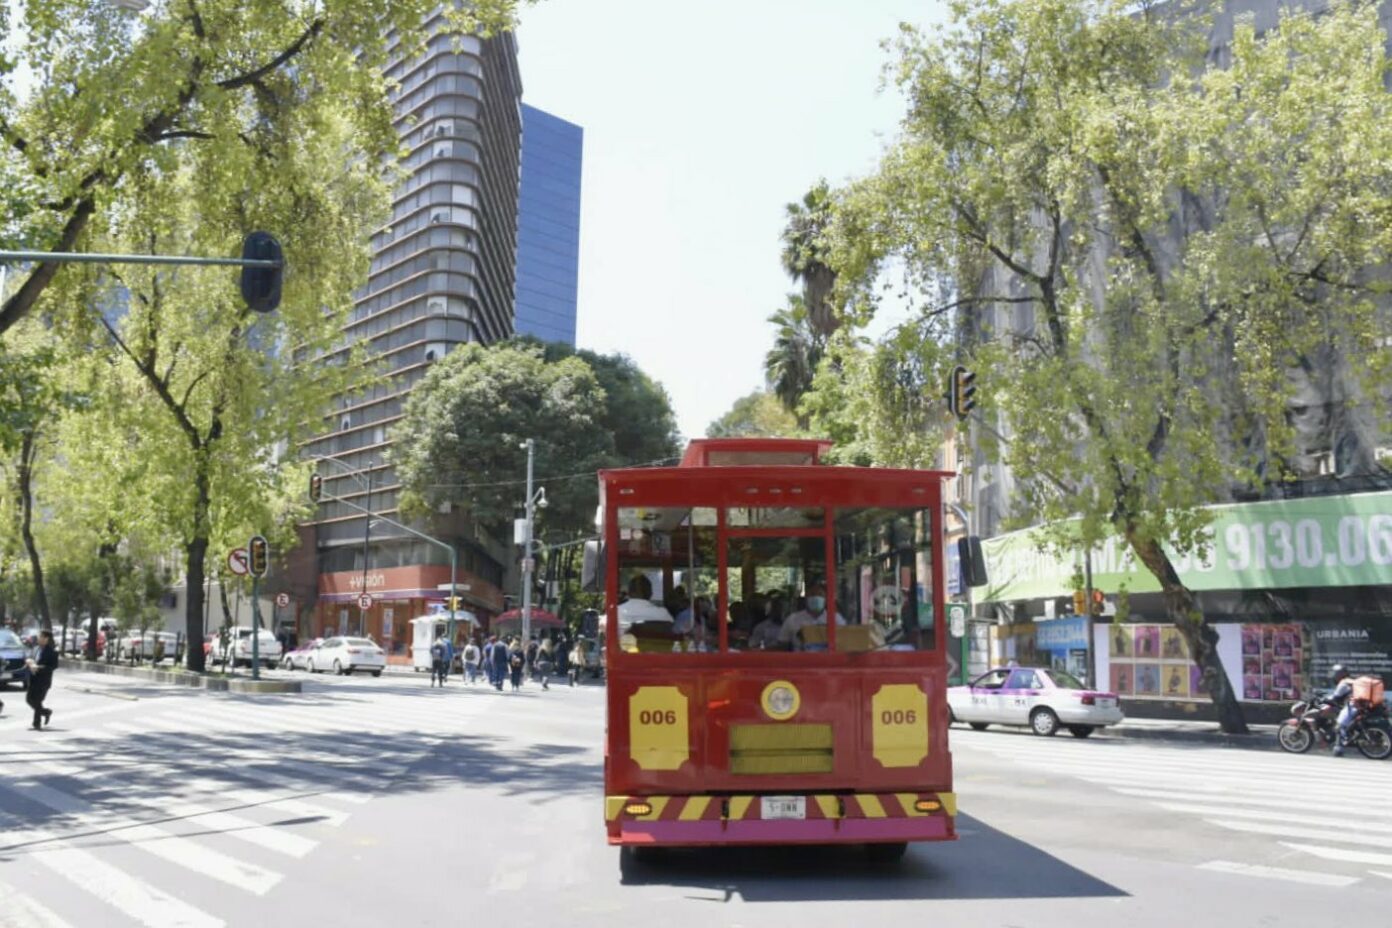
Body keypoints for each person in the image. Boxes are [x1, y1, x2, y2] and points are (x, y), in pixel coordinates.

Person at [779, 582, 845, 650]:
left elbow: (844, 643)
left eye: (820, 594)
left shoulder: (836, 618)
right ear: (806, 598)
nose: (816, 597)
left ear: (826, 598)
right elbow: (783, 645)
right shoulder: (792, 619)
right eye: (812, 594)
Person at [27, 629, 58, 731]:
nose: (38, 638)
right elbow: (30, 658)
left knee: (37, 700)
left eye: (41, 636)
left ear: (46, 639)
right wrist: (29, 661)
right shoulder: (35, 648)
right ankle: (45, 712)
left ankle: (37, 724)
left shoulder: (52, 652)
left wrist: (39, 667)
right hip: (33, 679)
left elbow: (53, 666)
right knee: (29, 700)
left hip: (43, 681)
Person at [1326, 665, 1358, 756]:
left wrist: (1324, 700)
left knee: (1339, 725)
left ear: (1338, 675)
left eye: (1334, 674)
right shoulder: (1351, 681)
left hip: (1353, 706)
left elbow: (1335, 697)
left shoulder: (1343, 683)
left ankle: (1338, 749)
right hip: (1360, 706)